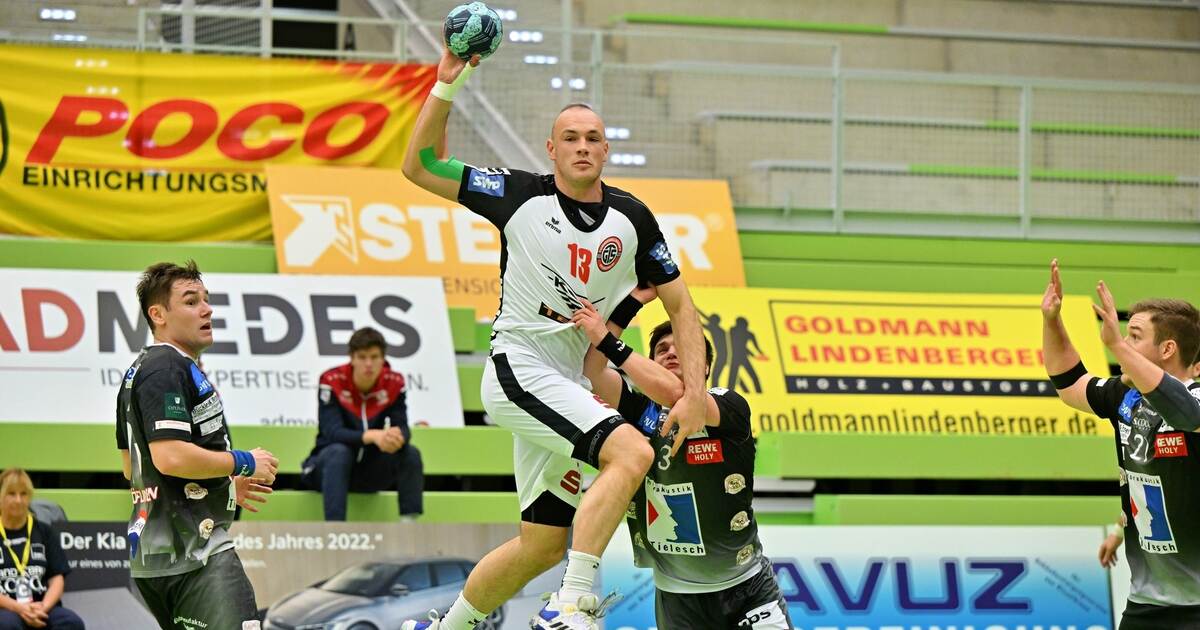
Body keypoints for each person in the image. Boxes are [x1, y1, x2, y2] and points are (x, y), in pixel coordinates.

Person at [398, 47, 709, 630]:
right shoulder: (518, 194)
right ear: (552, 149)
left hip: (563, 382)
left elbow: (680, 303)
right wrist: (446, 84)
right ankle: (571, 603)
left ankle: (452, 627)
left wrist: (695, 392)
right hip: (518, 368)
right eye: (570, 137)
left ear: (606, 149)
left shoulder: (634, 219)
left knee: (540, 544)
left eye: (593, 137)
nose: (583, 146)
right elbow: (420, 167)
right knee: (633, 451)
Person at [573, 293, 794, 629]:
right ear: (649, 366)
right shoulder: (638, 412)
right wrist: (628, 305)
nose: (671, 352)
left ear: (703, 367)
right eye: (661, 350)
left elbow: (680, 397)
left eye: (683, 349)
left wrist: (606, 339)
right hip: (677, 598)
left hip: (747, 588)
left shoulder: (729, 406)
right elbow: (592, 370)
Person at [115, 261, 277, 629]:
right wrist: (242, 461)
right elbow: (170, 456)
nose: (207, 309)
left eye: (206, 299)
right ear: (157, 315)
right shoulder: (166, 366)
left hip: (157, 557)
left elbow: (133, 467)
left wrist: (224, 489)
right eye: (191, 302)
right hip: (195, 555)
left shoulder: (143, 369)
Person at [1040, 259, 1200, 628]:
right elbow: (1070, 383)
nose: (1123, 344)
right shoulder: (1125, 397)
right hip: (1147, 602)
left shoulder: (1194, 399)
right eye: (1124, 335)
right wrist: (1052, 322)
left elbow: (1187, 416)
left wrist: (1115, 344)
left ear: (1168, 349)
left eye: (1135, 336)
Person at [300, 327, 424, 521]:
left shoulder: (394, 383)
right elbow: (332, 432)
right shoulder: (331, 380)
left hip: (367, 473)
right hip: (325, 469)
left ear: (383, 359)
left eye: (374, 357)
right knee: (339, 452)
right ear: (352, 358)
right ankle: (336, 533)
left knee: (410, 453)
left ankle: (409, 527)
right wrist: (374, 435)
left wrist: (396, 437)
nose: (368, 364)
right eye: (362, 357)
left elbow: (403, 428)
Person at [0, 469, 84, 630]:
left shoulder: (44, 531)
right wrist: (19, 608)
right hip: (6, 608)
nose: (18, 500)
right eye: (11, 494)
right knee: (6, 625)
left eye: (23, 494)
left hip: (42, 606)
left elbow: (57, 579)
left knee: (71, 623)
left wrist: (43, 607)